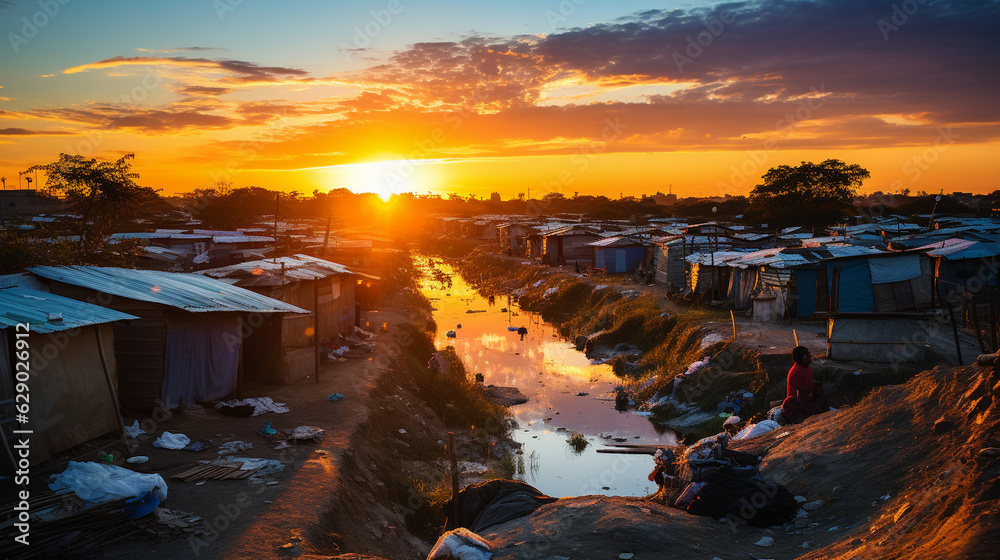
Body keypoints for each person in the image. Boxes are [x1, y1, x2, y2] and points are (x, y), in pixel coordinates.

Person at [781, 346, 830, 423]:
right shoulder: (798, 370)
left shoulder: (807, 368)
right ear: (801, 359)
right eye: (807, 355)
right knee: (818, 409)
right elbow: (802, 393)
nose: (810, 357)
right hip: (796, 402)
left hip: (804, 398)